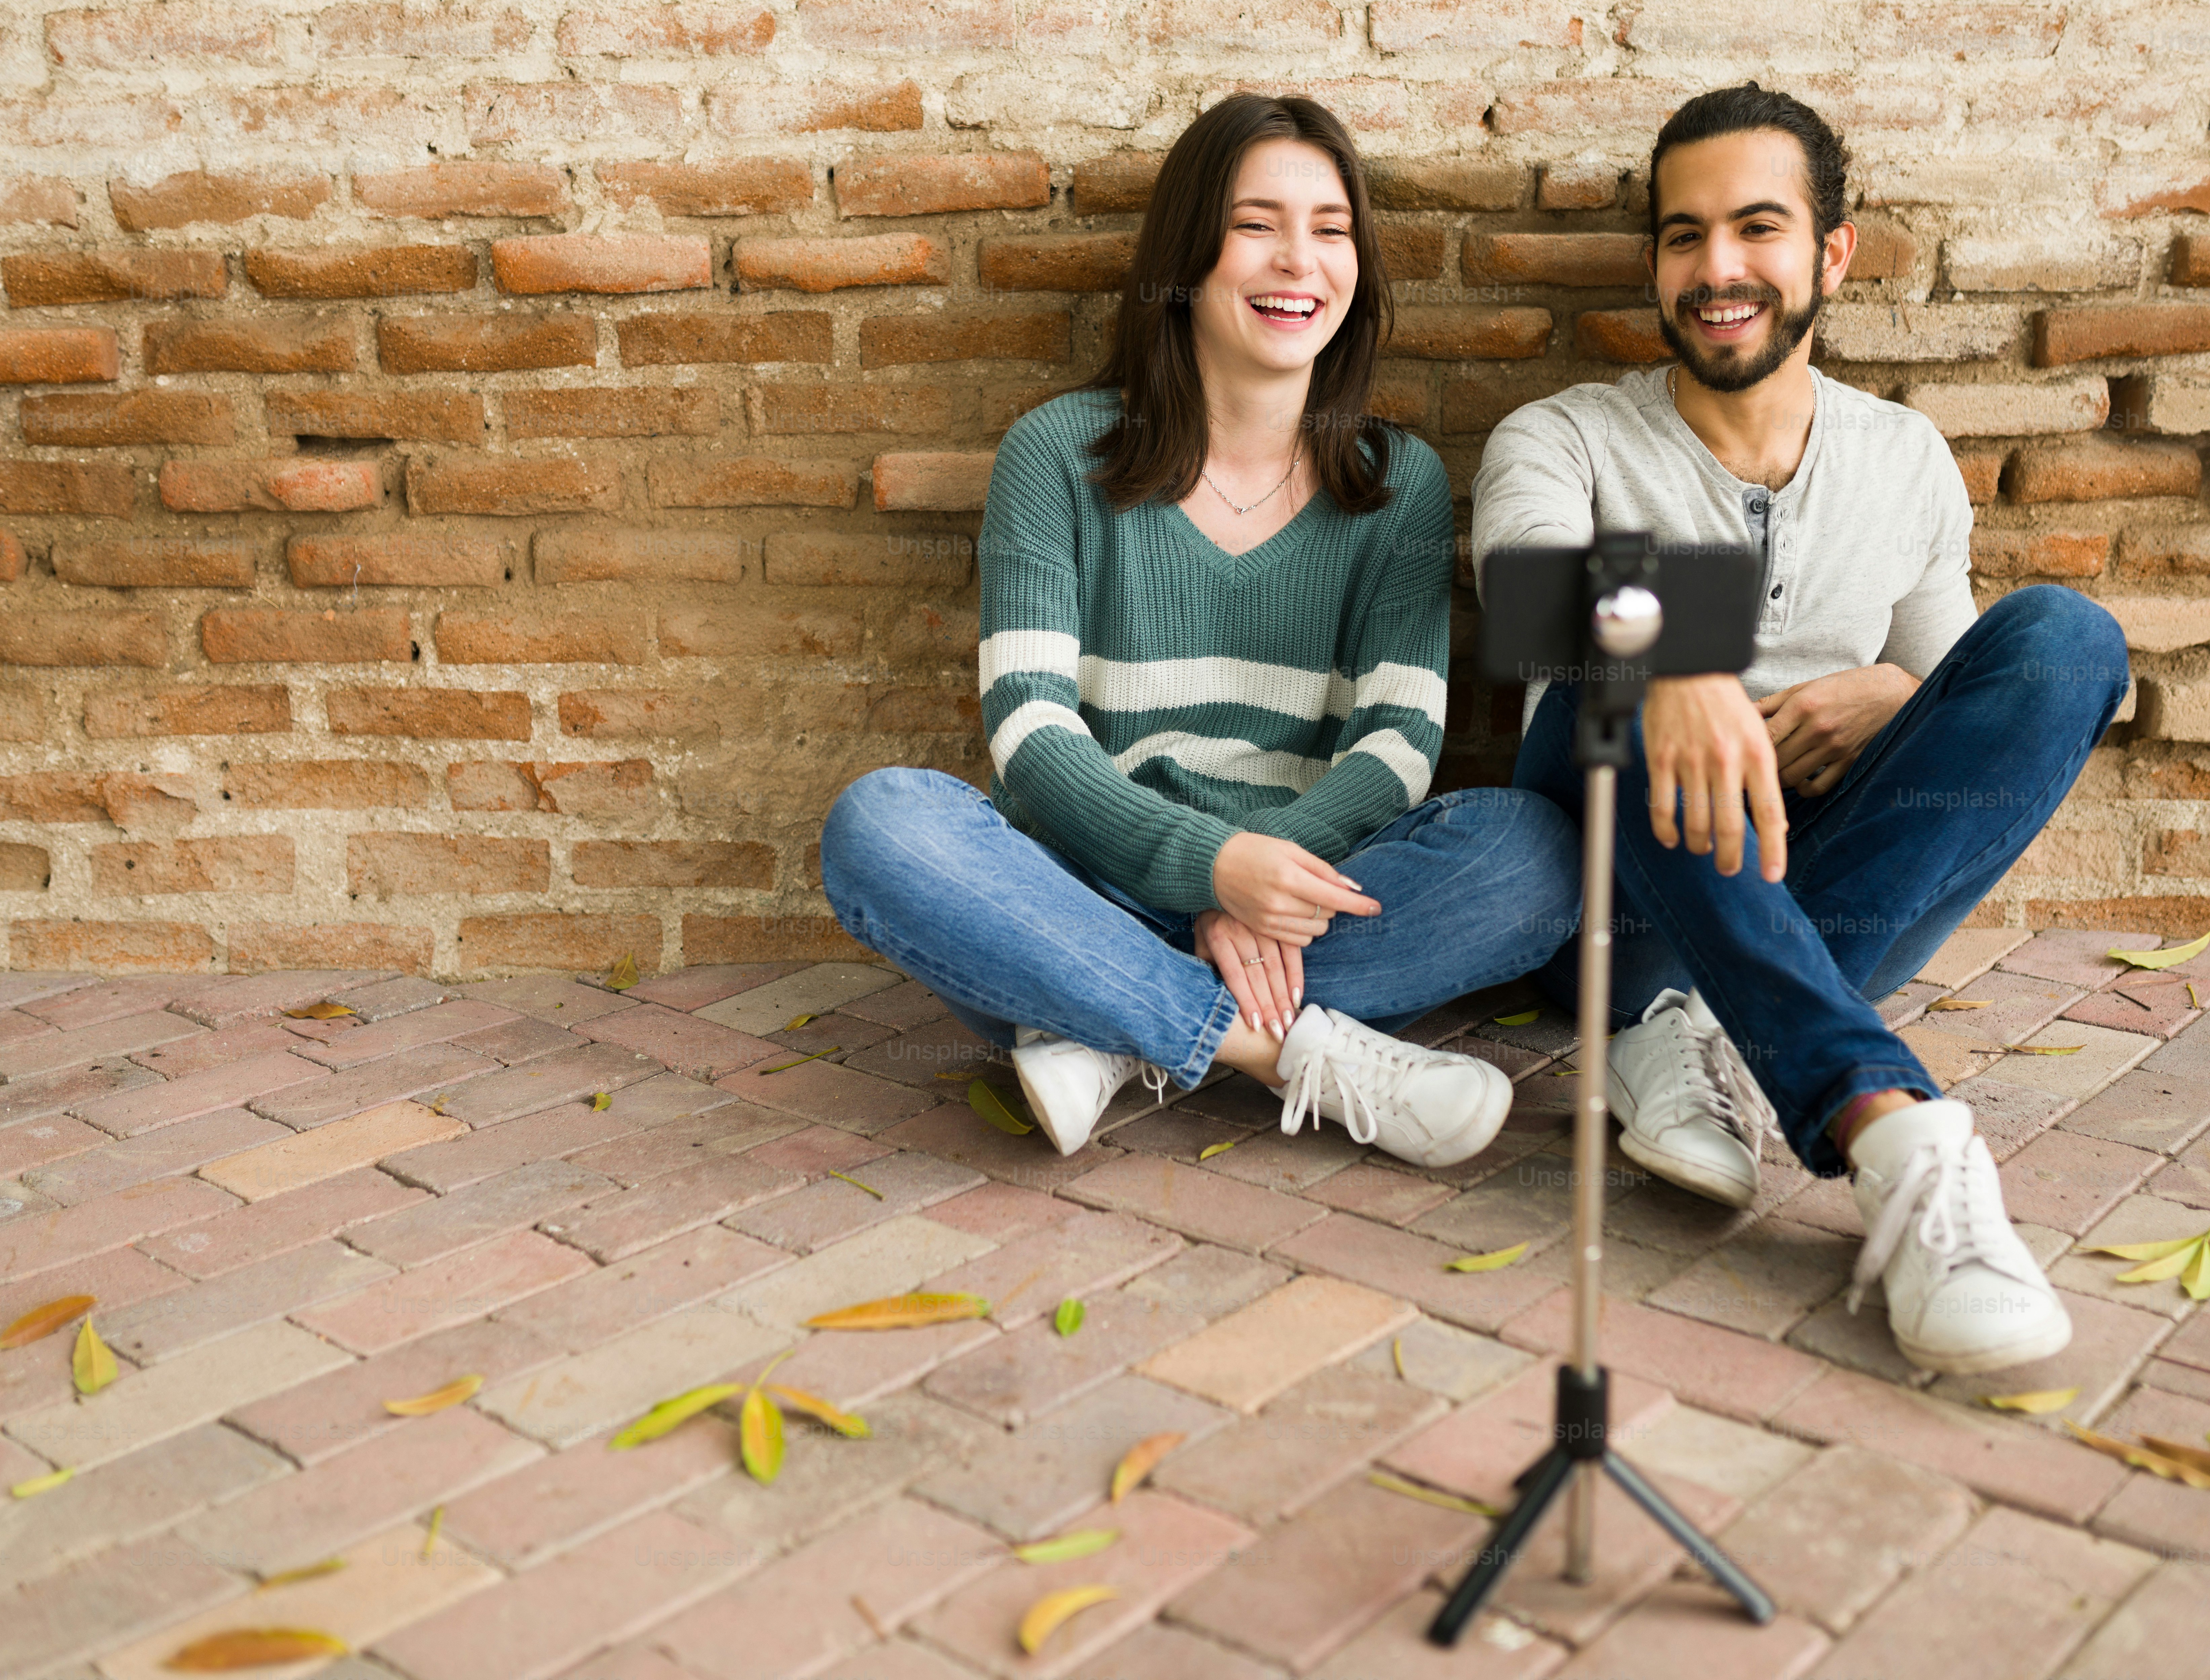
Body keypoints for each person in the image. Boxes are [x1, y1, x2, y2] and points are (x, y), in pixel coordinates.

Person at [1475, 83, 2128, 1374]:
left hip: (1819, 878)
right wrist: (1669, 668)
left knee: (2067, 640)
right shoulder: (1565, 438)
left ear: (1831, 252)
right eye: (1682, 236)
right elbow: (1520, 591)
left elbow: (1959, 700)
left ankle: (1711, 1024)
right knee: (1620, 682)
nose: (1717, 270)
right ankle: (1888, 1122)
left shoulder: (1902, 458)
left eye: (1756, 229)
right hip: (1611, 873)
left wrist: (1890, 693)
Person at [821, 94, 1582, 1168]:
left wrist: (1261, 880)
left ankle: (1108, 1026)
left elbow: (1397, 744)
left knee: (1535, 853)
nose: (1298, 262)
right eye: (1255, 224)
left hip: (1304, 897)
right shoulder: (1059, 454)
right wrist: (1203, 872)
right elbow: (1030, 735)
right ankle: (1282, 1053)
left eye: (1330, 230)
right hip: (1089, 880)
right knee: (885, 824)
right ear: (1186, 254)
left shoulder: (1395, 481)